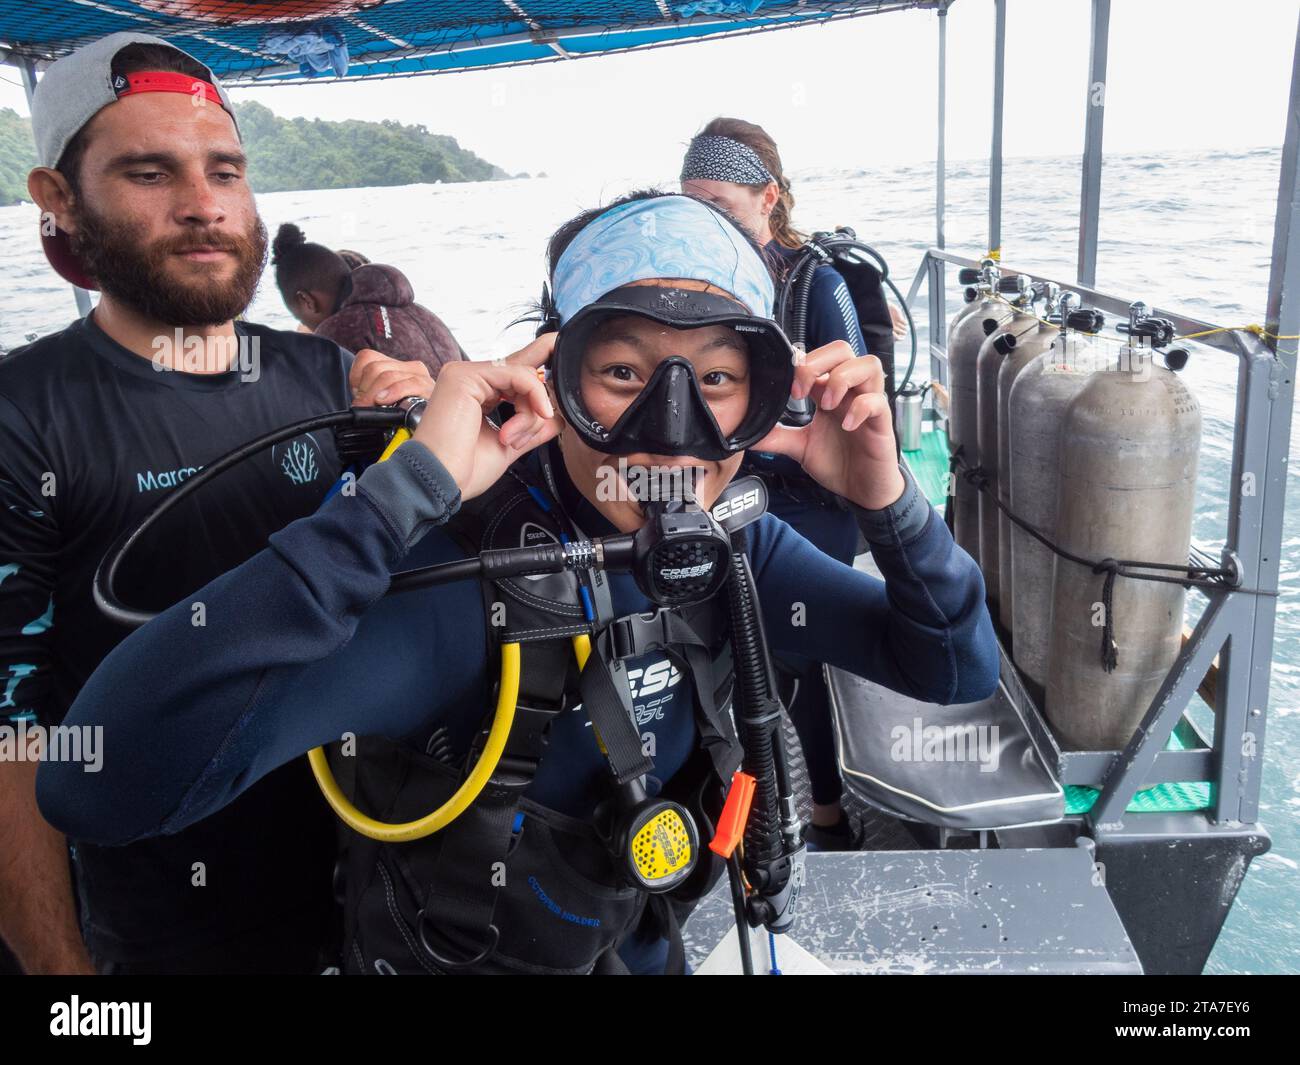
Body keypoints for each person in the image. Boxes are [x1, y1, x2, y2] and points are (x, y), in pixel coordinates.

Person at [38, 191, 998, 975]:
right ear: (552, 378)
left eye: (713, 381)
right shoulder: (460, 584)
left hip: (633, 933)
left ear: (764, 391)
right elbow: (101, 782)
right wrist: (398, 498)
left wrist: (890, 498)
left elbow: (953, 667)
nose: (670, 430)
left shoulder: (736, 555)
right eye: (622, 371)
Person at [0, 31, 432, 975]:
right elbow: (8, 733)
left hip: (379, 886)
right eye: (150, 174)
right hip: (160, 930)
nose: (203, 207)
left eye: (225, 170)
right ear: (59, 200)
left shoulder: (332, 376)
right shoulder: (22, 416)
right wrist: (61, 979)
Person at [681, 117, 902, 850]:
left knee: (794, 656)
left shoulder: (821, 286)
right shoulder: (696, 278)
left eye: (720, 205)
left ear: (769, 196)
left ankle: (827, 809)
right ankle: (721, 794)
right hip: (730, 487)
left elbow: (851, 406)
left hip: (809, 495)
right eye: (691, 207)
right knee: (710, 644)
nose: (705, 224)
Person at [272, 224, 466, 377]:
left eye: (301, 318)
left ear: (307, 300)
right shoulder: (420, 312)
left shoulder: (337, 331)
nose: (305, 325)